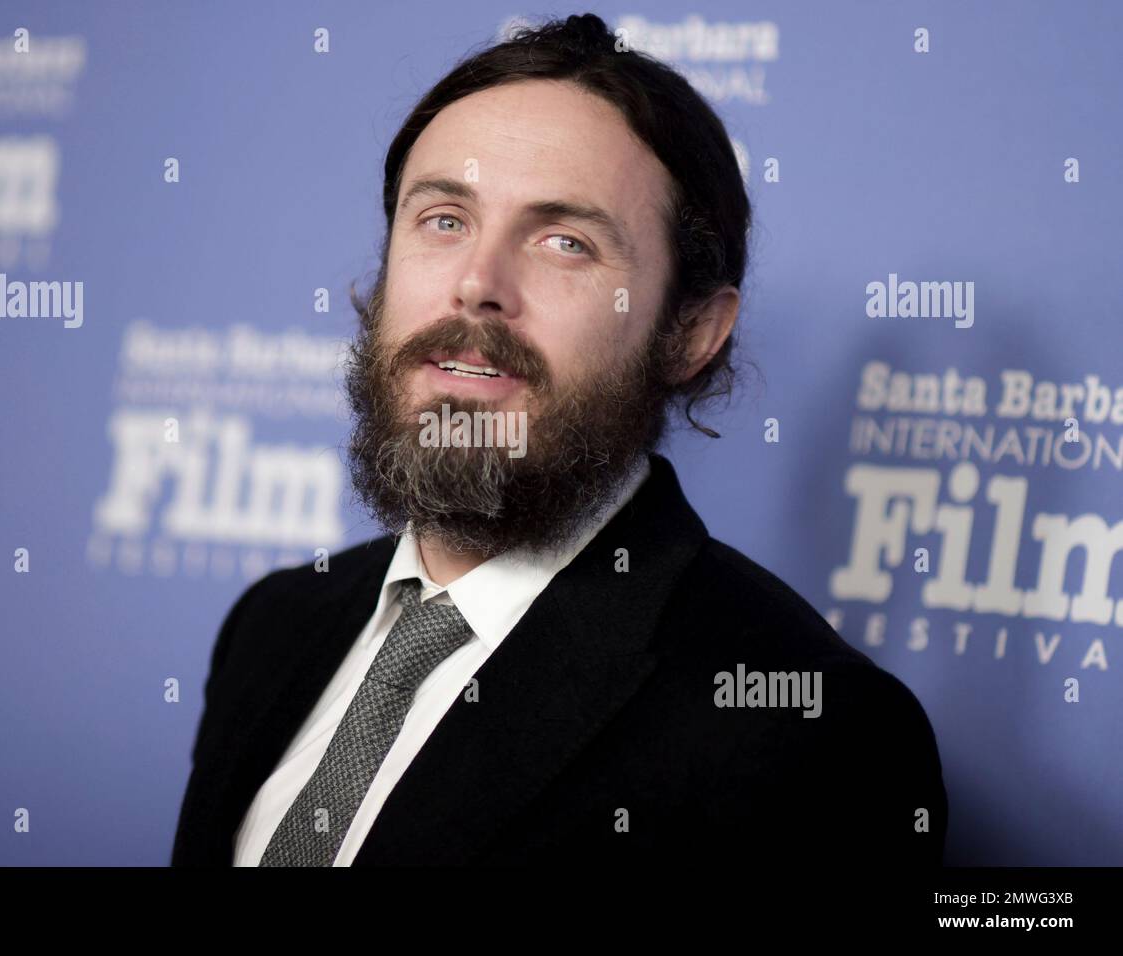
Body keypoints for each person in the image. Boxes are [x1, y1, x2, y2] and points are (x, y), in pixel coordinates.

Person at [171, 13, 947, 866]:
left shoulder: (810, 738)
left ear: (692, 332)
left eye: (564, 242)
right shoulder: (275, 624)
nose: (476, 284)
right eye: (443, 219)